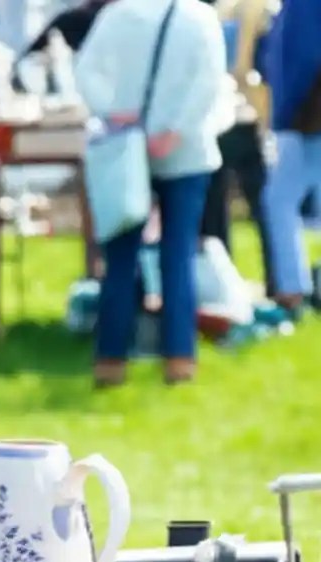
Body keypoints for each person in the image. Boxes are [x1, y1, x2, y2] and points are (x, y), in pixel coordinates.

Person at [74, 0, 227, 386]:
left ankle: (110, 358)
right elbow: (209, 81)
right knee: (178, 255)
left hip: (126, 146)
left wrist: (112, 112)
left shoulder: (119, 14)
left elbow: (86, 70)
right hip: (186, 152)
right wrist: (175, 130)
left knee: (119, 258)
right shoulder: (199, 16)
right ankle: (179, 358)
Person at [198, 0, 276, 294]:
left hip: (218, 115)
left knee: (215, 211)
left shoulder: (219, 10)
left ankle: (222, 286)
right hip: (245, 114)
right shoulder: (261, 7)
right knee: (263, 206)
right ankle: (277, 282)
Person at [261, 0, 321, 313]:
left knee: (279, 199)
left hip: (305, 114)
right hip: (309, 111)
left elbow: (303, 54)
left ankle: (292, 288)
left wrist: (285, 112)